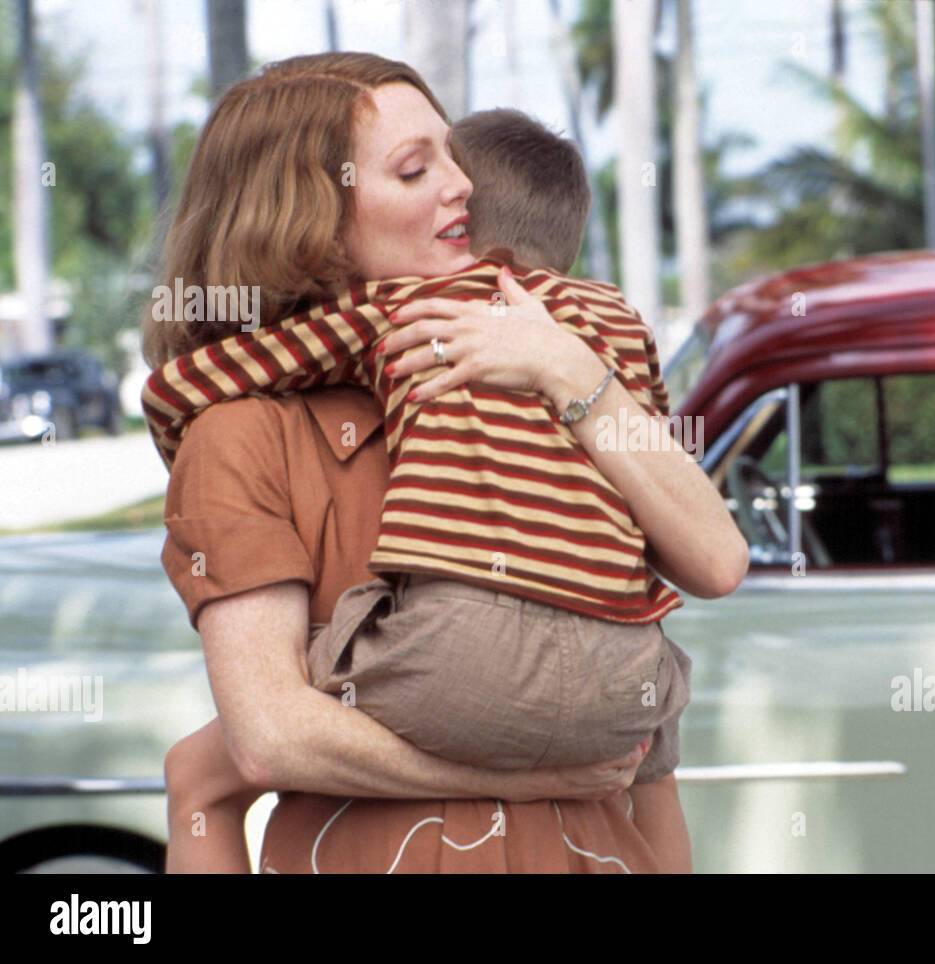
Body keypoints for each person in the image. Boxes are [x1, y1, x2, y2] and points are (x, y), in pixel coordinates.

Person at [147, 53, 748, 873]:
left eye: (452, 154)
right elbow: (271, 735)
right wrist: (532, 775)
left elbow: (715, 561)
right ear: (313, 227)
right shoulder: (245, 437)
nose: (462, 185)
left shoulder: (560, 369)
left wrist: (573, 374)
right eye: (414, 168)